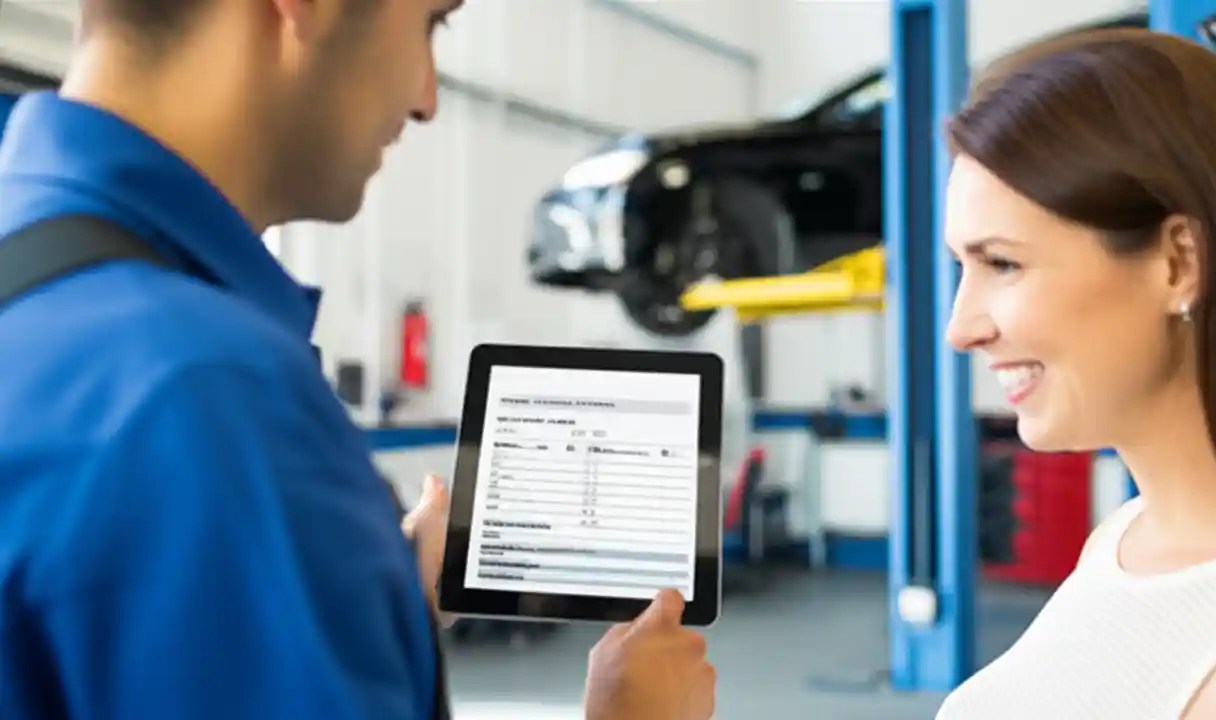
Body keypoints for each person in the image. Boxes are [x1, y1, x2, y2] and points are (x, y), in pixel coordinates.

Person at [0, 1, 715, 719]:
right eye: (429, 24)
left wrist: (359, 589)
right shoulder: (214, 399)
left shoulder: (45, 289)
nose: (428, 99)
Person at [935, 28, 1216, 719]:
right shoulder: (1125, 540)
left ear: (1179, 263)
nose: (961, 327)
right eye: (962, 268)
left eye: (1003, 263)